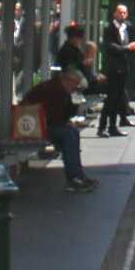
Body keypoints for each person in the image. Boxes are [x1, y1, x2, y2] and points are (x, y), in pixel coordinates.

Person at [22, 63, 94, 192]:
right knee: (69, 135)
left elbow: (61, 115)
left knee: (72, 132)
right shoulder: (54, 90)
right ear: (66, 80)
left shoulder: (61, 89)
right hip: (35, 126)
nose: (75, 87)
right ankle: (74, 178)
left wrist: (73, 105)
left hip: (42, 124)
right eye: (74, 83)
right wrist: (67, 119)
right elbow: (52, 116)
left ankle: (78, 175)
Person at [97, 4, 135, 138]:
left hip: (123, 67)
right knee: (111, 99)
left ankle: (118, 122)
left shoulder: (126, 27)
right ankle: (104, 127)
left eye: (124, 13)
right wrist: (128, 47)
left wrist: (134, 46)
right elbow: (110, 47)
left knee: (119, 96)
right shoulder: (109, 28)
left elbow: (131, 42)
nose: (122, 15)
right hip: (113, 68)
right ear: (114, 13)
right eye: (119, 12)